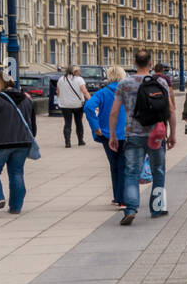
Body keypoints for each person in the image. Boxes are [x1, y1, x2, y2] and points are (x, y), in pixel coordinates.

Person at [109, 51, 174, 226]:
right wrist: (173, 134)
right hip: (156, 135)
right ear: (150, 63)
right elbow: (171, 110)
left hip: (133, 134)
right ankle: (157, 207)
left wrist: (113, 135)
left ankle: (130, 209)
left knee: (131, 173)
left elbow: (114, 111)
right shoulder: (160, 82)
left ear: (134, 62)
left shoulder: (125, 83)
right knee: (158, 171)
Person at [0, 71, 37, 217]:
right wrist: (29, 138)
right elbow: (32, 125)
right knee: (17, 173)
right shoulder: (27, 99)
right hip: (22, 142)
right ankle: (16, 207)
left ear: (0, 83)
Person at [84, 65, 128, 209]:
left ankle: (117, 197)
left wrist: (96, 127)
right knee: (123, 166)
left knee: (114, 165)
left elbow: (89, 106)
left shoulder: (103, 92)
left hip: (107, 134)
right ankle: (122, 199)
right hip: (125, 133)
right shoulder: (128, 92)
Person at [56, 65, 89, 147]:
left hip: (65, 105)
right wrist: (91, 100)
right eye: (78, 70)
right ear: (74, 71)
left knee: (67, 123)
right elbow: (85, 92)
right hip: (77, 105)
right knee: (79, 122)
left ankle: (67, 142)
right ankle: (80, 140)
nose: (79, 72)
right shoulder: (79, 79)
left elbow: (58, 92)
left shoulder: (61, 79)